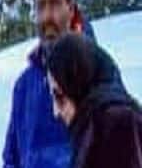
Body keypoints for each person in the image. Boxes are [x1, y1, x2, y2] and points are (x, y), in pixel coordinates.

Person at [5, 0, 92, 168]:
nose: (47, 17)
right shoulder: (24, 86)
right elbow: (12, 158)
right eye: (41, 6)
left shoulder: (93, 72)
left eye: (54, 5)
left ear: (70, 10)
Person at [44, 31, 142, 168]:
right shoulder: (90, 128)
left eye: (60, 97)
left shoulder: (116, 123)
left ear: (77, 83)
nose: (56, 112)